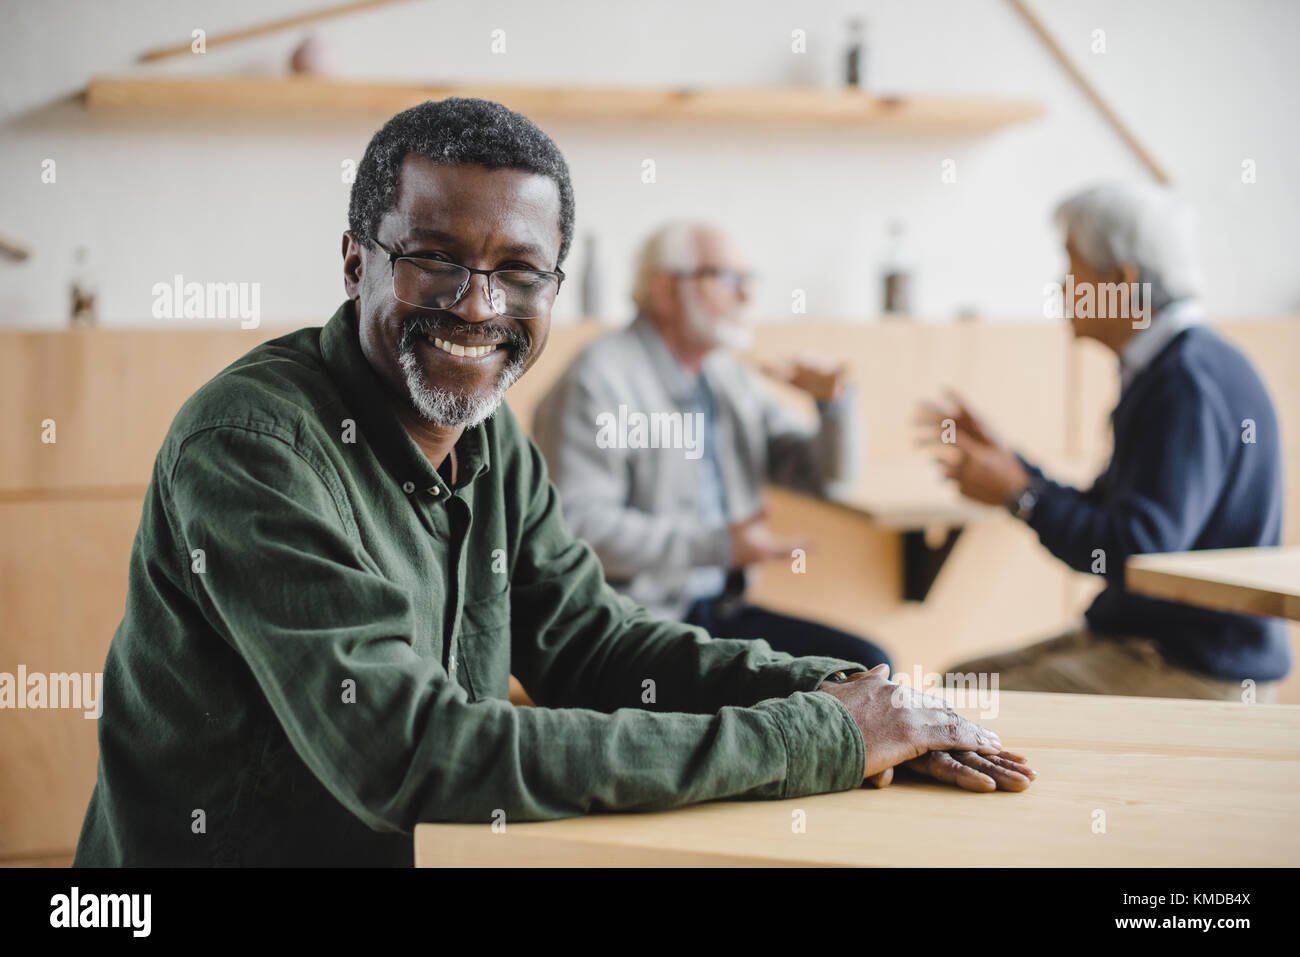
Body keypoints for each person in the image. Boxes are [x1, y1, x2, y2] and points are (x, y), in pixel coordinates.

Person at [75, 98, 1031, 867]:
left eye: (519, 272)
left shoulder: (490, 437)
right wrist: (812, 737)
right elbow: (411, 753)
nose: (479, 305)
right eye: (435, 258)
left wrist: (849, 695)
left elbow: (599, 645)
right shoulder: (251, 447)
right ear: (355, 258)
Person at [922, 182, 1289, 701]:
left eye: (1071, 266)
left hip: (1189, 665)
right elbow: (1115, 515)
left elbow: (1139, 554)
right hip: (1142, 642)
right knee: (952, 686)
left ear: (1121, 281)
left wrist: (1021, 496)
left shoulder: (1186, 382)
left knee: (949, 704)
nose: (1061, 285)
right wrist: (1015, 470)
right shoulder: (1172, 367)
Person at [533, 221, 892, 671]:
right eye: (727, 278)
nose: (746, 296)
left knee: (869, 669)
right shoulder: (598, 380)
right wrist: (719, 545)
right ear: (666, 291)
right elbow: (580, 530)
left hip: (719, 612)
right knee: (836, 687)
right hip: (632, 625)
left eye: (749, 280)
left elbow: (828, 479)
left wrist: (833, 406)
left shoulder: (727, 377)